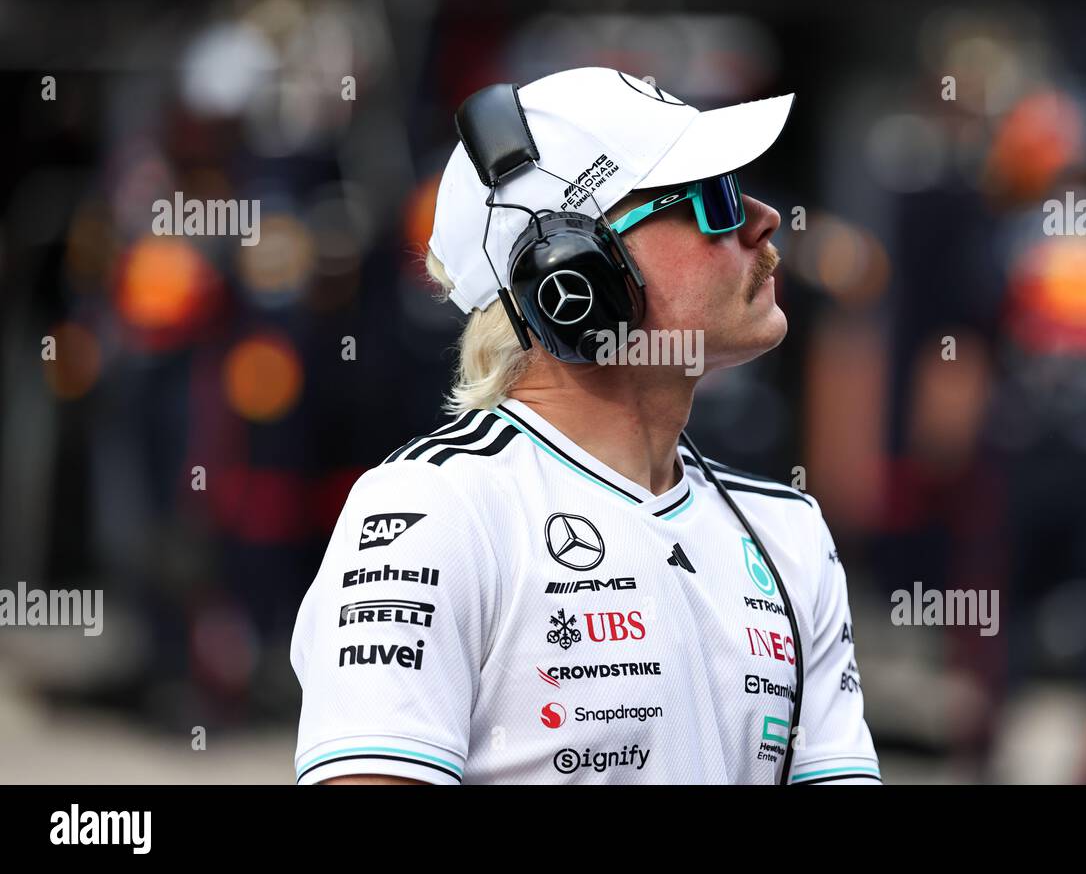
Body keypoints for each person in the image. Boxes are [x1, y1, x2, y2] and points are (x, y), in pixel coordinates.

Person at [289, 66, 881, 784]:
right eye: (714, 197)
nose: (763, 220)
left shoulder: (790, 531)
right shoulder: (434, 511)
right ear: (575, 276)